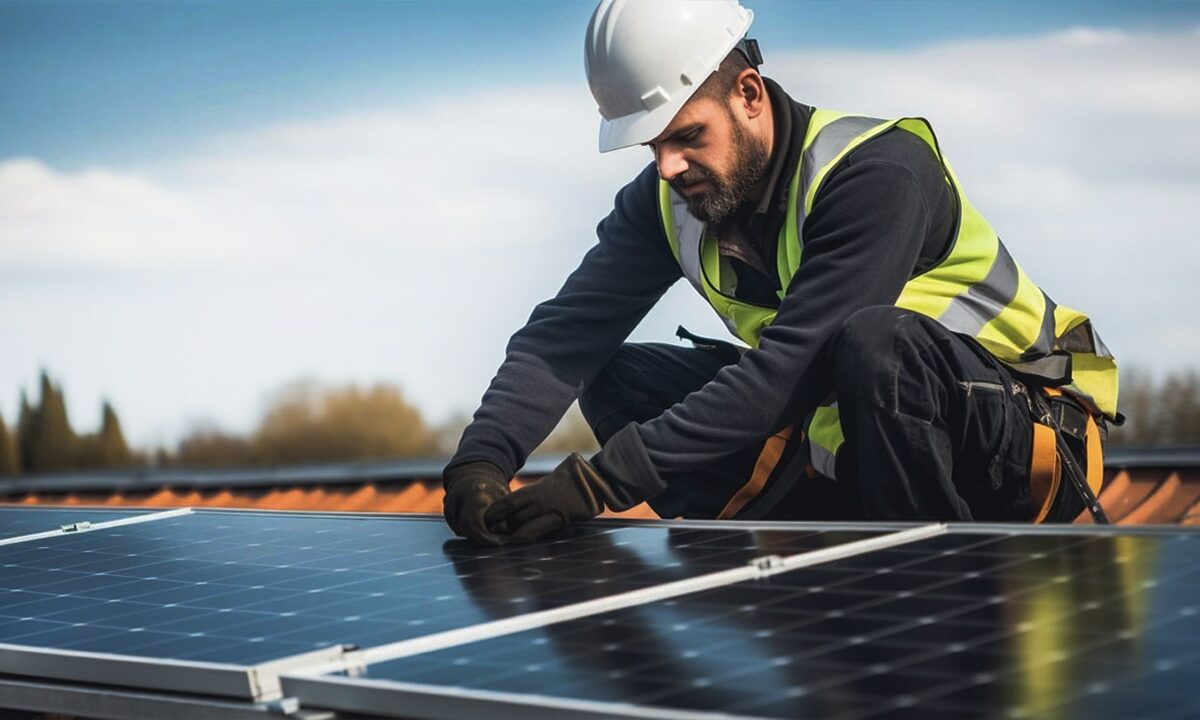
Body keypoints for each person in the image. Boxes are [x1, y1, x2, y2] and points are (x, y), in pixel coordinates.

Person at [442, 0, 1120, 545]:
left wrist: (600, 484)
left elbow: (788, 372)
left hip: (1022, 442)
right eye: (653, 146)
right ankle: (782, 557)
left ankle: (929, 580)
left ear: (748, 94)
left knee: (878, 344)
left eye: (686, 136)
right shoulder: (667, 201)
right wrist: (482, 461)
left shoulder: (875, 174)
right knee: (618, 376)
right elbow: (561, 340)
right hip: (861, 442)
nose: (668, 167)